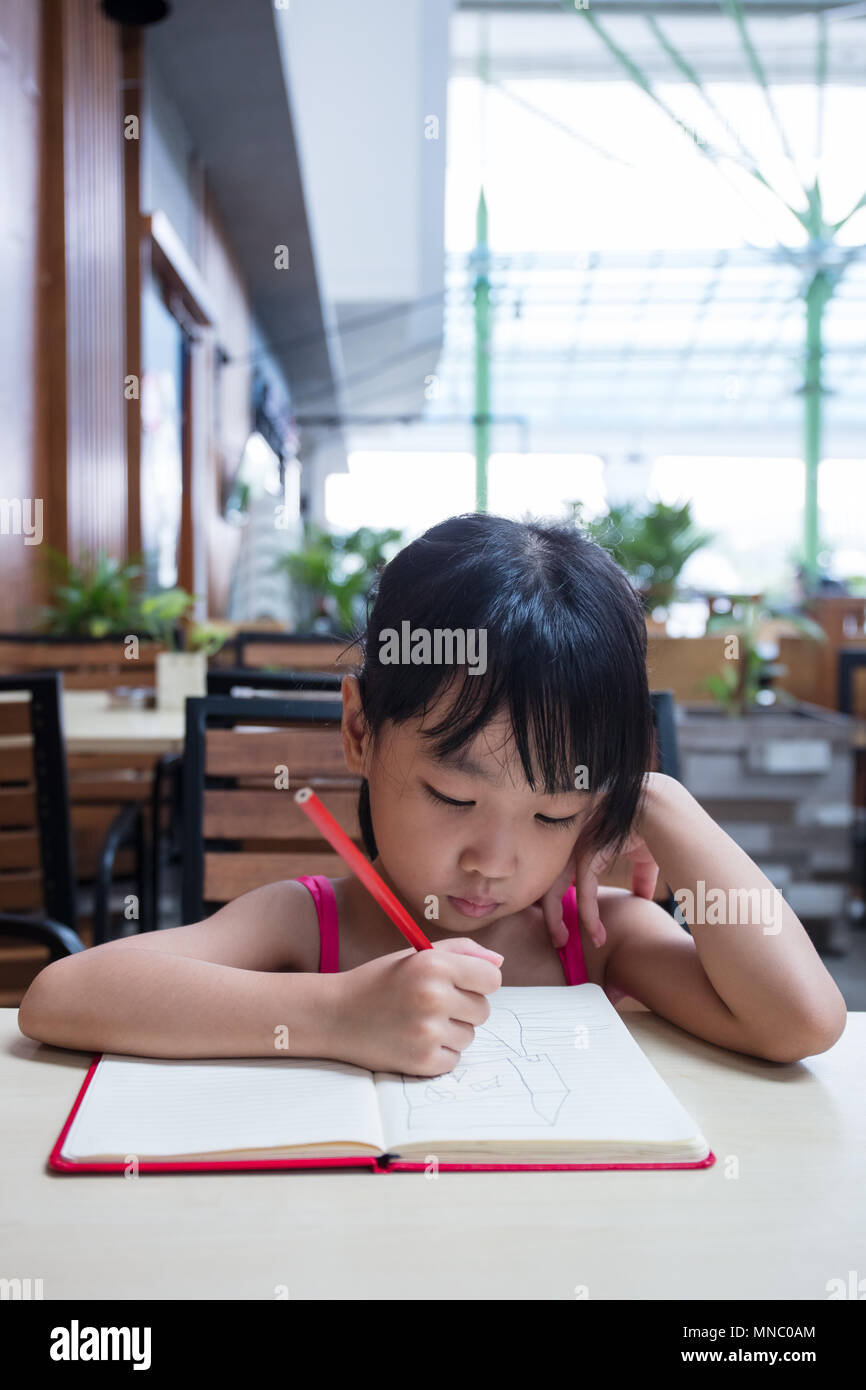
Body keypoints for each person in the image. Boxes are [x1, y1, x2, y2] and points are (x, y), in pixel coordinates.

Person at [18, 513, 847, 1074]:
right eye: (454, 796)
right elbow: (63, 997)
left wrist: (656, 800)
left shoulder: (593, 939)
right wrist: (338, 1014)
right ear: (360, 732)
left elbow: (802, 1022)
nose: (494, 860)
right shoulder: (308, 925)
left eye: (556, 812)